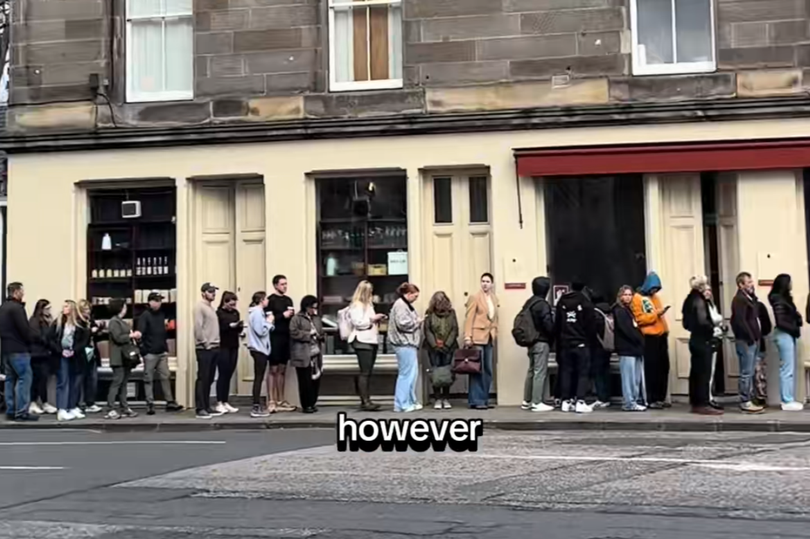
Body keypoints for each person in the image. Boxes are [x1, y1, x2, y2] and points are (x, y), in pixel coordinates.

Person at [682, 275, 722, 416]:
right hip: (703, 340)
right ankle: (702, 403)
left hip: (695, 339)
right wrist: (714, 330)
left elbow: (686, 323)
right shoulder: (699, 301)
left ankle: (696, 402)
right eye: (704, 285)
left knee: (696, 372)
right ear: (700, 287)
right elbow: (703, 321)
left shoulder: (689, 299)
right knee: (703, 373)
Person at [137, 292, 183, 415]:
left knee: (166, 376)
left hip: (162, 351)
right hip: (150, 353)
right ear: (150, 302)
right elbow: (139, 334)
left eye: (160, 300)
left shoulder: (162, 314)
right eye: (156, 300)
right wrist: (144, 351)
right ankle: (150, 404)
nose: (159, 303)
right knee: (148, 379)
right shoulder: (144, 316)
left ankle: (170, 402)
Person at [554, 281, 596, 414]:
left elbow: (557, 324)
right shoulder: (586, 302)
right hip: (581, 344)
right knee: (582, 373)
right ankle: (580, 401)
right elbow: (591, 326)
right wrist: (590, 342)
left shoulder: (562, 302)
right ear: (583, 288)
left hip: (565, 344)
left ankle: (566, 401)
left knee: (566, 372)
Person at [631, 272, 671, 410]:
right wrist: (656, 315)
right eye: (653, 288)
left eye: (657, 288)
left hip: (661, 337)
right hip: (649, 338)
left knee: (663, 368)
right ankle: (651, 398)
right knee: (651, 369)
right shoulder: (637, 298)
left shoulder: (656, 298)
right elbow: (640, 319)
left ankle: (661, 397)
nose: (655, 291)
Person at [0, 282, 37, 422]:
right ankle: (21, 412)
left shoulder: (2, 307)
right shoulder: (17, 308)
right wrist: (34, 340)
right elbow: (24, 330)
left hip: (6, 349)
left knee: (10, 380)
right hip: (19, 349)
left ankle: (10, 410)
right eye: (22, 291)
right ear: (16, 292)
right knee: (24, 379)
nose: (23, 293)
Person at [730, 272, 765, 414]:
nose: (752, 284)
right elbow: (739, 321)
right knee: (746, 372)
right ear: (741, 285)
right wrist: (751, 337)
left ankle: (749, 398)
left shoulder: (748, 298)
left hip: (753, 340)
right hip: (746, 341)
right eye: (748, 282)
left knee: (750, 371)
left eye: (751, 282)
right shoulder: (739, 300)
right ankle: (745, 401)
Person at [768, 273, 804, 411]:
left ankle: (789, 398)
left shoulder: (784, 299)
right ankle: (787, 400)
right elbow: (781, 321)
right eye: (789, 282)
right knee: (787, 368)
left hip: (788, 334)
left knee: (789, 367)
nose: (791, 284)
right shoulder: (779, 300)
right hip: (784, 334)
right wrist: (794, 328)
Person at [348, 280, 385, 411]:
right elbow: (358, 323)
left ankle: (365, 398)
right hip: (362, 340)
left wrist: (376, 318)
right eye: (369, 291)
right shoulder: (357, 305)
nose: (371, 293)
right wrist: (373, 319)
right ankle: (365, 401)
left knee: (367, 372)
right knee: (365, 372)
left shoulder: (368, 305)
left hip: (371, 339)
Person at [464, 273, 499, 410]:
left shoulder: (494, 298)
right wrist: (468, 336)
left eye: (488, 281)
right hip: (477, 336)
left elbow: (494, 318)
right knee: (477, 369)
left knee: (488, 369)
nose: (485, 284)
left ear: (492, 284)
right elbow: (469, 317)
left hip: (489, 337)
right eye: (483, 281)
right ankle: (476, 400)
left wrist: (495, 332)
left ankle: (484, 399)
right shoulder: (475, 297)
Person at [53, 300, 90, 422]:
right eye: (63, 306)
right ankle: (62, 409)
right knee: (63, 382)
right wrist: (60, 350)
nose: (64, 308)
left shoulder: (80, 324)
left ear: (72, 309)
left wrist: (74, 350)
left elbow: (83, 341)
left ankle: (72, 406)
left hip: (75, 355)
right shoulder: (58, 323)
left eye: (66, 306)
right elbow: (49, 339)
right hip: (61, 355)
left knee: (74, 382)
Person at [521, 277, 554, 412]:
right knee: (539, 372)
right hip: (541, 341)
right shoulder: (543, 305)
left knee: (531, 371)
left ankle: (526, 400)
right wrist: (553, 333)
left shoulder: (529, 303)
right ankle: (536, 401)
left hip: (531, 341)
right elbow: (547, 324)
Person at [389, 283, 423, 413]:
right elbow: (403, 324)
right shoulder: (401, 305)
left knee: (411, 374)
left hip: (407, 344)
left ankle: (408, 401)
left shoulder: (403, 304)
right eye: (415, 296)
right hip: (404, 343)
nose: (416, 299)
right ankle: (402, 404)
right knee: (406, 375)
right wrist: (417, 322)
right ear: (408, 294)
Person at [424, 291, 459, 410]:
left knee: (447, 373)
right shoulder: (429, 313)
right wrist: (435, 345)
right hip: (433, 348)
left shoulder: (452, 313)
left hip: (449, 347)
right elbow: (427, 330)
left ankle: (446, 398)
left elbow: (455, 329)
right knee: (436, 373)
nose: (440, 302)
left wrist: (447, 344)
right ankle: (437, 398)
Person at [105, 299, 140, 420]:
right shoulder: (114, 322)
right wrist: (131, 335)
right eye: (124, 307)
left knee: (124, 383)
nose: (126, 309)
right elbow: (118, 338)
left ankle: (124, 407)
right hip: (118, 357)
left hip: (125, 357)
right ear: (120, 308)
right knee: (117, 382)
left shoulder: (121, 321)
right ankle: (110, 408)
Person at [613, 285, 646, 412]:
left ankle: (634, 400)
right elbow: (626, 329)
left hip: (634, 348)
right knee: (629, 377)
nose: (627, 297)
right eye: (625, 294)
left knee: (635, 377)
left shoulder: (628, 310)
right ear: (620, 296)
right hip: (627, 348)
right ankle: (629, 402)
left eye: (629, 294)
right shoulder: (619, 310)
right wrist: (639, 339)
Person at [266, 275, 295, 413]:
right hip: (274, 337)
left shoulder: (288, 300)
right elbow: (268, 319)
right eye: (282, 284)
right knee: (273, 369)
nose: (285, 286)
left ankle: (281, 399)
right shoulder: (270, 300)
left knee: (283, 369)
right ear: (275, 285)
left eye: (286, 284)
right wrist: (282, 316)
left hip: (286, 337)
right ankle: (271, 400)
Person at [290, 295, 324, 414]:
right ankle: (306, 404)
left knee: (315, 381)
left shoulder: (317, 318)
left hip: (315, 353)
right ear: (306, 307)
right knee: (304, 381)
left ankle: (313, 402)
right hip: (303, 354)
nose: (314, 310)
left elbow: (321, 331)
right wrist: (308, 334)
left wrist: (320, 335)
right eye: (312, 308)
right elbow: (293, 333)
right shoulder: (297, 318)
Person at [194, 283, 223, 419]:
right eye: (210, 291)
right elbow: (198, 327)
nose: (213, 294)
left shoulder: (211, 308)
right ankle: (200, 408)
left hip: (215, 346)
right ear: (203, 293)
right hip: (205, 348)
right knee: (203, 377)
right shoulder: (200, 307)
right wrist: (204, 343)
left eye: (214, 291)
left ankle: (206, 406)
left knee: (210, 378)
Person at [28, 299, 58, 416]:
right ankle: (34, 402)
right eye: (47, 308)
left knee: (42, 379)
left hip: (44, 353)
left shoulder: (46, 321)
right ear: (41, 309)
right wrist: (50, 342)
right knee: (38, 379)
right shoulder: (35, 321)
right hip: (37, 354)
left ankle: (42, 402)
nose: (50, 311)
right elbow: (39, 336)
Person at [247, 291, 274, 418]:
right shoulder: (257, 313)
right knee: (259, 378)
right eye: (266, 299)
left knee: (259, 377)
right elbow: (260, 331)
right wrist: (269, 322)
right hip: (259, 349)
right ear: (262, 300)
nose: (267, 301)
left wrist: (268, 323)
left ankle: (257, 405)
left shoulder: (258, 312)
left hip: (259, 348)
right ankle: (256, 407)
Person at [215, 291, 243, 415]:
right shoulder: (219, 313)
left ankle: (226, 401)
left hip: (234, 345)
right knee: (223, 373)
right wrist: (229, 326)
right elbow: (218, 329)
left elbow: (238, 329)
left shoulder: (236, 313)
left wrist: (239, 327)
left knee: (229, 373)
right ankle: (219, 401)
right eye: (231, 304)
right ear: (225, 302)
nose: (233, 307)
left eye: (234, 304)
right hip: (223, 346)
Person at [78, 299, 103, 414]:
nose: (88, 312)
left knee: (92, 378)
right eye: (86, 310)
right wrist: (90, 331)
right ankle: (81, 403)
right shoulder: (78, 321)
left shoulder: (89, 320)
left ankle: (90, 402)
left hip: (91, 351)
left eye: (89, 309)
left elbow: (95, 334)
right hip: (83, 352)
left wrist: (98, 330)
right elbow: (81, 337)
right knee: (82, 378)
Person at [704, 285, 727, 411]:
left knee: (711, 370)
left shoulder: (712, 305)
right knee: (707, 371)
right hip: (708, 339)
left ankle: (710, 395)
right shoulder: (702, 306)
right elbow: (713, 319)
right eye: (705, 290)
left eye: (709, 290)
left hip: (716, 338)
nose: (708, 292)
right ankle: (707, 397)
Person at [591, 291, 613, 409]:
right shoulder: (609, 310)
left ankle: (601, 398)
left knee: (598, 373)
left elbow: (593, 331)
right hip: (608, 346)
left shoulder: (595, 313)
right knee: (606, 371)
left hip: (597, 347)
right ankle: (607, 397)